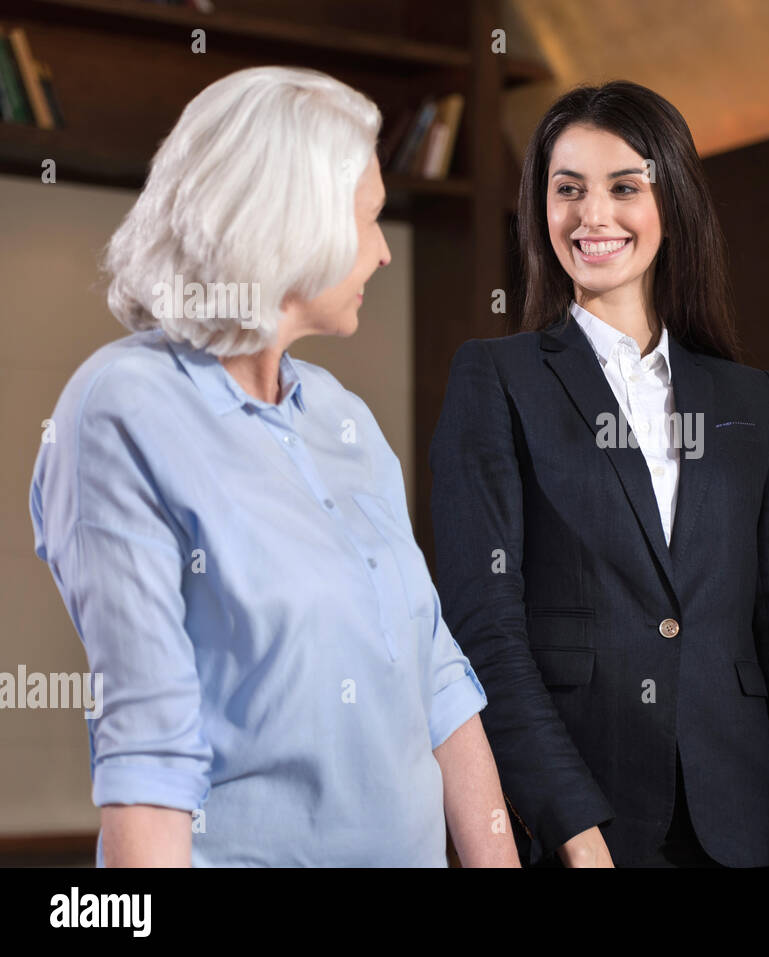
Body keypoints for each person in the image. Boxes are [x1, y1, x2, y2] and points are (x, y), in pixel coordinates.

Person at [29, 66, 518, 867]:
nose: (385, 254)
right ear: (295, 224)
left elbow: (437, 679)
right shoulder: (123, 406)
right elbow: (149, 742)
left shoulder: (342, 416)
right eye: (368, 222)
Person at [429, 81, 769, 867]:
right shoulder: (496, 377)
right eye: (568, 191)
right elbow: (485, 629)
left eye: (625, 186)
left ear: (674, 202)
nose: (593, 217)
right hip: (579, 825)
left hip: (743, 825)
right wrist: (571, 827)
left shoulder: (752, 400)